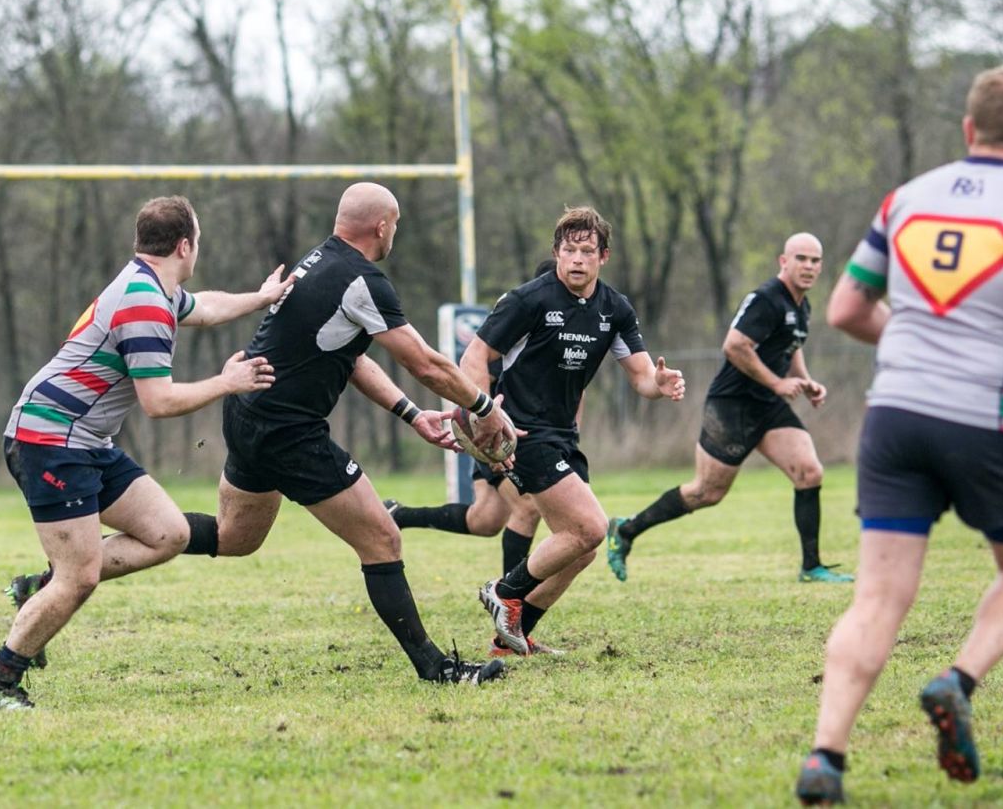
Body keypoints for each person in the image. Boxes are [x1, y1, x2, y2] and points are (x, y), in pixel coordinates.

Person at [794, 65, 1003, 804]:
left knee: (875, 599)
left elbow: (843, 307)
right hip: (986, 421)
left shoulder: (907, 199)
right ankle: (957, 679)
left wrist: (914, 343)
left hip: (893, 416)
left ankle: (825, 757)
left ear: (968, 131)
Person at [179, 182, 519, 685]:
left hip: (249, 413)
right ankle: (436, 669)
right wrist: (483, 406)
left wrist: (411, 414)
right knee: (383, 538)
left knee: (233, 538)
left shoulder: (317, 261)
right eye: (395, 225)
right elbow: (425, 363)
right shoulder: (362, 279)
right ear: (382, 226)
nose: (394, 234)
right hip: (288, 432)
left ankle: (86, 561)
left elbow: (350, 355)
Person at [0, 195, 294, 711]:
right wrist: (228, 382)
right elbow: (159, 402)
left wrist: (260, 297)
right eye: (199, 241)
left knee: (170, 533)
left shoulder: (153, 286)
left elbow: (205, 307)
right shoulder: (143, 304)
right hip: (49, 441)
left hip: (85, 441)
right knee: (81, 577)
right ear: (185, 245)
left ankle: (39, 587)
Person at [466, 207, 686, 656]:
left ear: (603, 256)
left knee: (582, 549)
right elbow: (474, 356)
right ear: (556, 253)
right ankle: (505, 591)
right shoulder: (528, 300)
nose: (577, 260)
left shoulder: (615, 309)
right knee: (590, 527)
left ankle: (511, 639)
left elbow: (642, 377)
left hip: (563, 435)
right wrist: (484, 414)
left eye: (587, 251)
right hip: (522, 434)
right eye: (569, 250)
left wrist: (659, 386)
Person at [606, 233, 853, 584]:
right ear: (784, 261)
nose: (809, 266)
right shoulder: (766, 299)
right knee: (706, 492)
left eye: (815, 260)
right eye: (801, 258)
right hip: (732, 406)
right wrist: (777, 383)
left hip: (768, 406)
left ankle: (811, 566)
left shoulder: (801, 306)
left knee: (810, 472)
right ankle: (625, 530)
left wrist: (806, 381)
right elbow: (734, 346)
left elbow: (791, 345)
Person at [384, 261, 557, 654]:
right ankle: (508, 616)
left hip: (522, 436)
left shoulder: (570, 330)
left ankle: (400, 514)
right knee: (527, 509)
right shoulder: (520, 319)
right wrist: (489, 444)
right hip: (493, 433)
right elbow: (475, 377)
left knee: (486, 520)